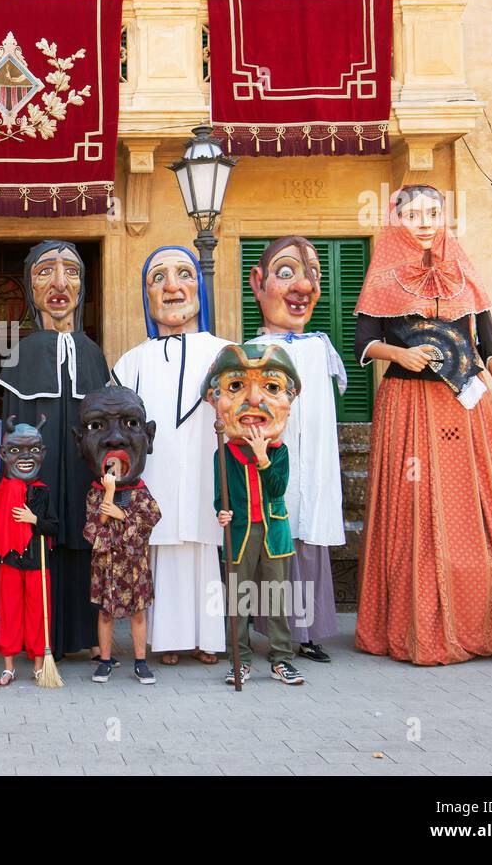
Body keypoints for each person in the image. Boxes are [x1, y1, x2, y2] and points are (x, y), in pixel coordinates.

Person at [353, 185, 492, 665]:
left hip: (467, 404)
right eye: (414, 214)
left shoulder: (464, 272)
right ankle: (421, 625)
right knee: (418, 505)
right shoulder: (381, 275)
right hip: (409, 403)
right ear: (397, 219)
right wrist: (399, 352)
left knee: (476, 503)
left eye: (434, 213)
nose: (425, 222)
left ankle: (485, 625)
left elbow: (490, 342)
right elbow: (363, 342)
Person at [111, 246, 230, 668]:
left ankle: (210, 638)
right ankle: (167, 641)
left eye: (183, 274)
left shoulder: (228, 353)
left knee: (203, 549)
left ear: (200, 285)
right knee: (160, 552)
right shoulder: (130, 363)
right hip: (157, 478)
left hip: (205, 470)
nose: (173, 286)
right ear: (147, 296)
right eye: (158, 278)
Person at [0, 241, 111, 661]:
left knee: (81, 539)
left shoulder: (94, 354)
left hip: (83, 478)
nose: (60, 282)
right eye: (46, 271)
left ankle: (82, 637)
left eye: (72, 271)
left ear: (82, 287)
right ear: (30, 286)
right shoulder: (19, 354)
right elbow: (11, 432)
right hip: (38, 484)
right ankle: (40, 638)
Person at [249, 237, 346, 662]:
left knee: (309, 541)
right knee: (275, 541)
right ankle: (274, 633)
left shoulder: (320, 348)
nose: (303, 286)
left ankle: (308, 633)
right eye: (286, 273)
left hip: (314, 466)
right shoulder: (250, 353)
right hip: (272, 464)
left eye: (313, 275)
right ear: (258, 282)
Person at [208, 343, 305, 686]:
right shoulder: (225, 453)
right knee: (238, 600)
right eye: (235, 387)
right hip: (239, 532)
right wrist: (221, 512)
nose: (252, 400)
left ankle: (281, 659)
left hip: (273, 533)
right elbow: (221, 496)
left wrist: (264, 459)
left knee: (276, 598)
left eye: (272, 387)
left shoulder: (279, 452)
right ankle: (240, 661)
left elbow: (277, 489)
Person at [75, 386, 161, 685]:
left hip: (135, 565)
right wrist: (108, 499)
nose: (115, 437)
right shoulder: (96, 494)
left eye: (130, 424)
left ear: (148, 437)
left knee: (137, 614)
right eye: (97, 426)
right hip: (106, 566)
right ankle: (106, 660)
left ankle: (140, 660)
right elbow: (92, 531)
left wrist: (121, 515)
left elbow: (149, 520)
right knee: (106, 614)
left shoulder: (140, 493)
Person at [0, 417, 59, 686]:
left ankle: (39, 666)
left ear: (42, 454)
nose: (25, 457)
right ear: (4, 454)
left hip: (36, 559)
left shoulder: (43, 492)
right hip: (10, 560)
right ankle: (8, 667)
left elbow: (54, 526)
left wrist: (35, 521)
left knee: (37, 613)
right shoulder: (4, 489)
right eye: (17, 450)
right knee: (9, 613)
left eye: (32, 450)